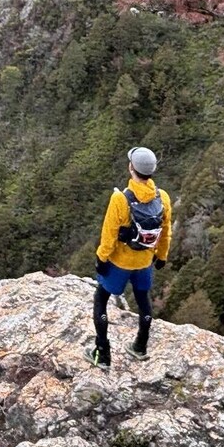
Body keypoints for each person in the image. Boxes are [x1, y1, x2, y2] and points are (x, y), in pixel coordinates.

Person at [89, 146, 172, 368]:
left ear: (131, 168)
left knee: (101, 300)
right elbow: (165, 230)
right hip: (145, 262)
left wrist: (101, 257)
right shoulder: (162, 197)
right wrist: (161, 256)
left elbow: (109, 235)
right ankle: (140, 346)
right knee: (143, 300)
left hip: (119, 263)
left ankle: (102, 353)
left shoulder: (120, 199)